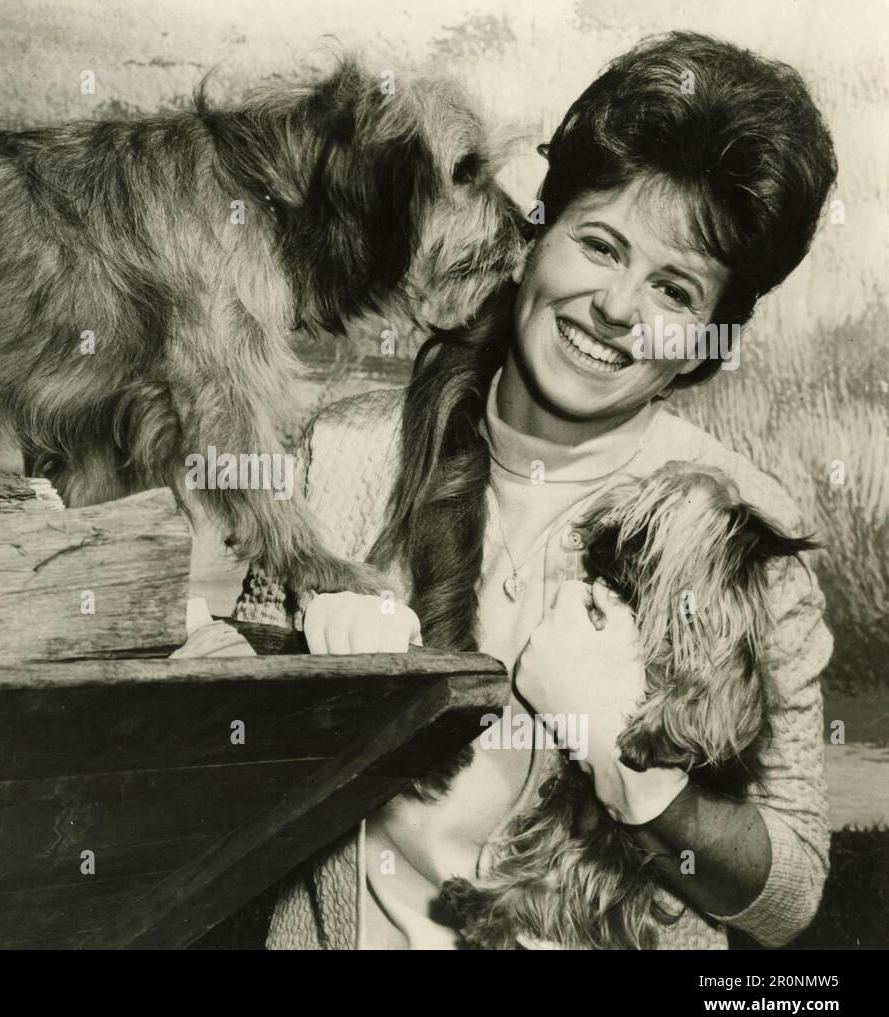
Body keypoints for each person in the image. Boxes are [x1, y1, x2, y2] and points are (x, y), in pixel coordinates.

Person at [234, 30, 838, 949]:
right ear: (534, 231)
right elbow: (226, 759)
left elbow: (788, 894)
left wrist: (639, 781)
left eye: (676, 291)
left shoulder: (738, 527)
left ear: (710, 339)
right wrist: (303, 685)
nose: (619, 308)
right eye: (600, 245)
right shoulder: (344, 454)